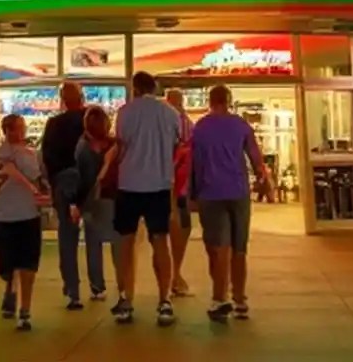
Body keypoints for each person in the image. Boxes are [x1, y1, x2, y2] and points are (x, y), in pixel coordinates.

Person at [190, 84, 268, 322]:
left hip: (211, 193)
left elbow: (196, 164)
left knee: (218, 248)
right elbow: (255, 156)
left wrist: (193, 194)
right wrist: (263, 178)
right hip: (239, 192)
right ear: (229, 100)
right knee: (239, 247)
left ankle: (219, 297)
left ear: (210, 101)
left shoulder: (200, 128)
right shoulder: (241, 125)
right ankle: (241, 299)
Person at [111, 71, 181, 326]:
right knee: (160, 242)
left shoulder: (125, 113)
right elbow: (176, 146)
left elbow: (121, 147)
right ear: (154, 87)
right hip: (160, 185)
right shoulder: (170, 113)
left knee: (126, 243)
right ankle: (164, 301)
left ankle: (125, 299)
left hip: (129, 184)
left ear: (135, 88)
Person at [0, 113, 45, 331]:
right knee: (6, 264)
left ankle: (25, 309)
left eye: (22, 128)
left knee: (28, 264)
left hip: (28, 215)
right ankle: (10, 287)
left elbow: (36, 176)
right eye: (17, 128)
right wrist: (4, 171)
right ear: (7, 131)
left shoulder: (30, 154)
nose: (21, 132)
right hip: (4, 216)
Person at [41, 81, 88, 310]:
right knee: (97, 235)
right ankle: (99, 284)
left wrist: (51, 186)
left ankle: (73, 289)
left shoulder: (54, 124)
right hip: (89, 183)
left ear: (62, 99)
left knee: (67, 237)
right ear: (82, 97)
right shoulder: (90, 119)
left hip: (63, 182)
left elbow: (47, 157)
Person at [70, 105, 121, 304]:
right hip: (114, 198)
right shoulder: (115, 145)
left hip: (92, 200)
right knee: (118, 243)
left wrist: (77, 203)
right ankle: (123, 282)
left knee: (93, 244)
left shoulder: (82, 147)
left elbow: (81, 179)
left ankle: (97, 286)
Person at [163, 88, 194, 297]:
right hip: (177, 182)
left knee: (170, 229)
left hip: (166, 181)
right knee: (179, 227)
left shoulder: (163, 120)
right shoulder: (183, 122)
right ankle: (174, 275)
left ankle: (173, 276)